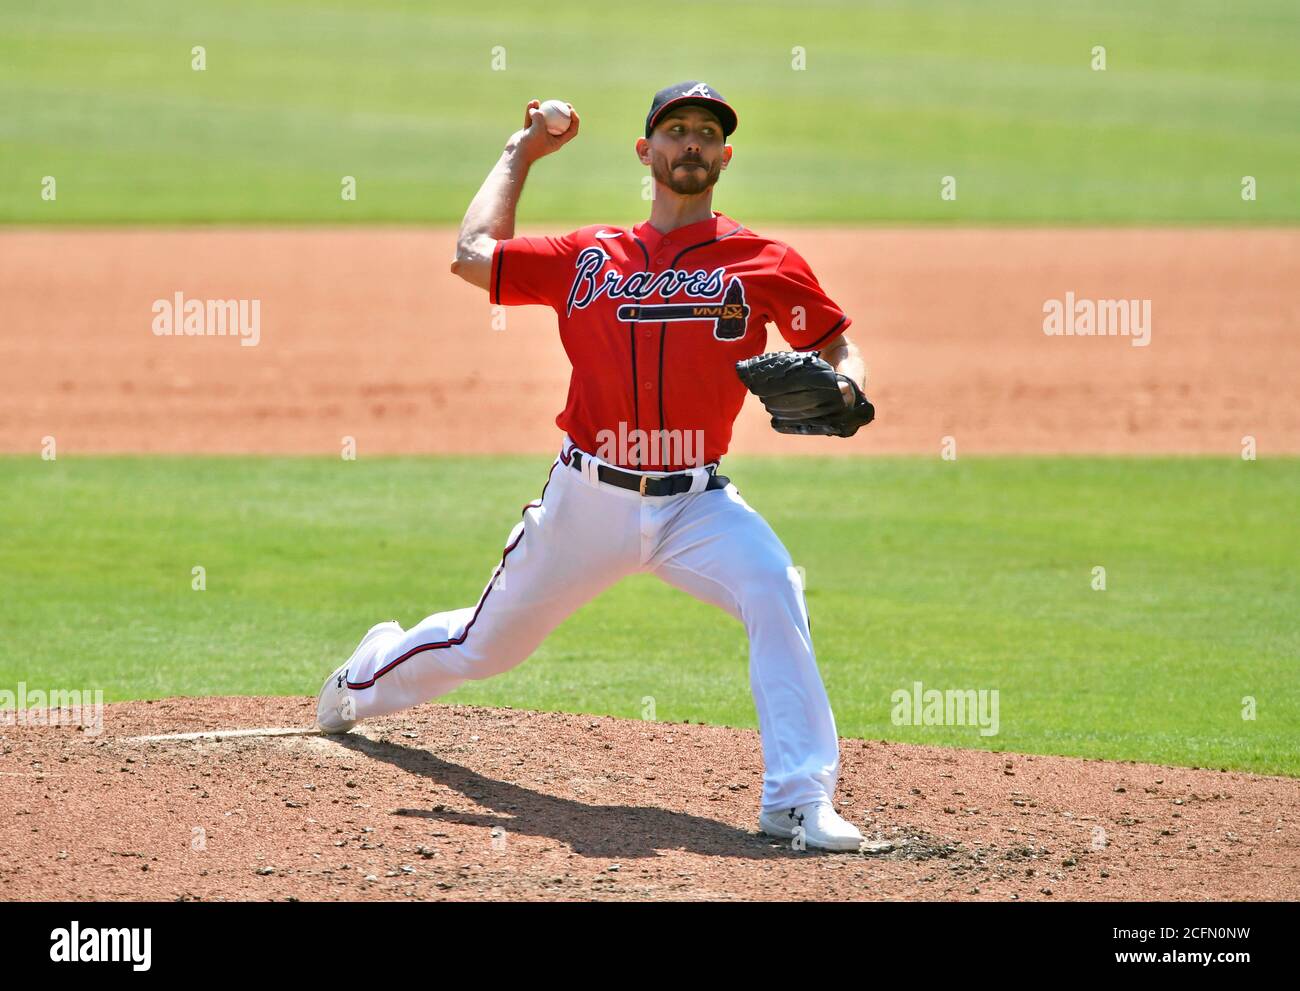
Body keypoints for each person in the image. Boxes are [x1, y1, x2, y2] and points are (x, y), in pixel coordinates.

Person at [316, 81, 871, 851]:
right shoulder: (590, 256)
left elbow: (836, 342)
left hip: (695, 503)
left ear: (725, 156)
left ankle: (796, 800)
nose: (691, 144)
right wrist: (521, 153)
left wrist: (850, 382)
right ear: (647, 151)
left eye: (707, 134)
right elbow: (472, 257)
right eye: (676, 130)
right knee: (485, 647)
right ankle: (361, 678)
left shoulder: (764, 262)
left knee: (774, 584)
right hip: (588, 498)